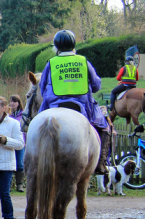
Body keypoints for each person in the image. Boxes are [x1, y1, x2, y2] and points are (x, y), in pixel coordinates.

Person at [38, 29, 110, 175]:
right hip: (82, 106)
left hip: (54, 105)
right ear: (74, 45)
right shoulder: (84, 61)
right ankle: (100, 163)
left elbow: (42, 87)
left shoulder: (51, 63)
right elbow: (96, 85)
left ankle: (34, 158)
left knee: (36, 125)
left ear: (56, 47)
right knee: (105, 127)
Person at [8, 94, 26, 192]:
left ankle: (20, 184)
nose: (12, 103)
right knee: (9, 163)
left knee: (20, 164)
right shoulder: (7, 115)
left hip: (20, 143)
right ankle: (9, 184)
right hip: (9, 143)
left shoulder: (24, 114)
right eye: (11, 101)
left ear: (19, 103)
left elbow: (26, 130)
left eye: (14, 101)